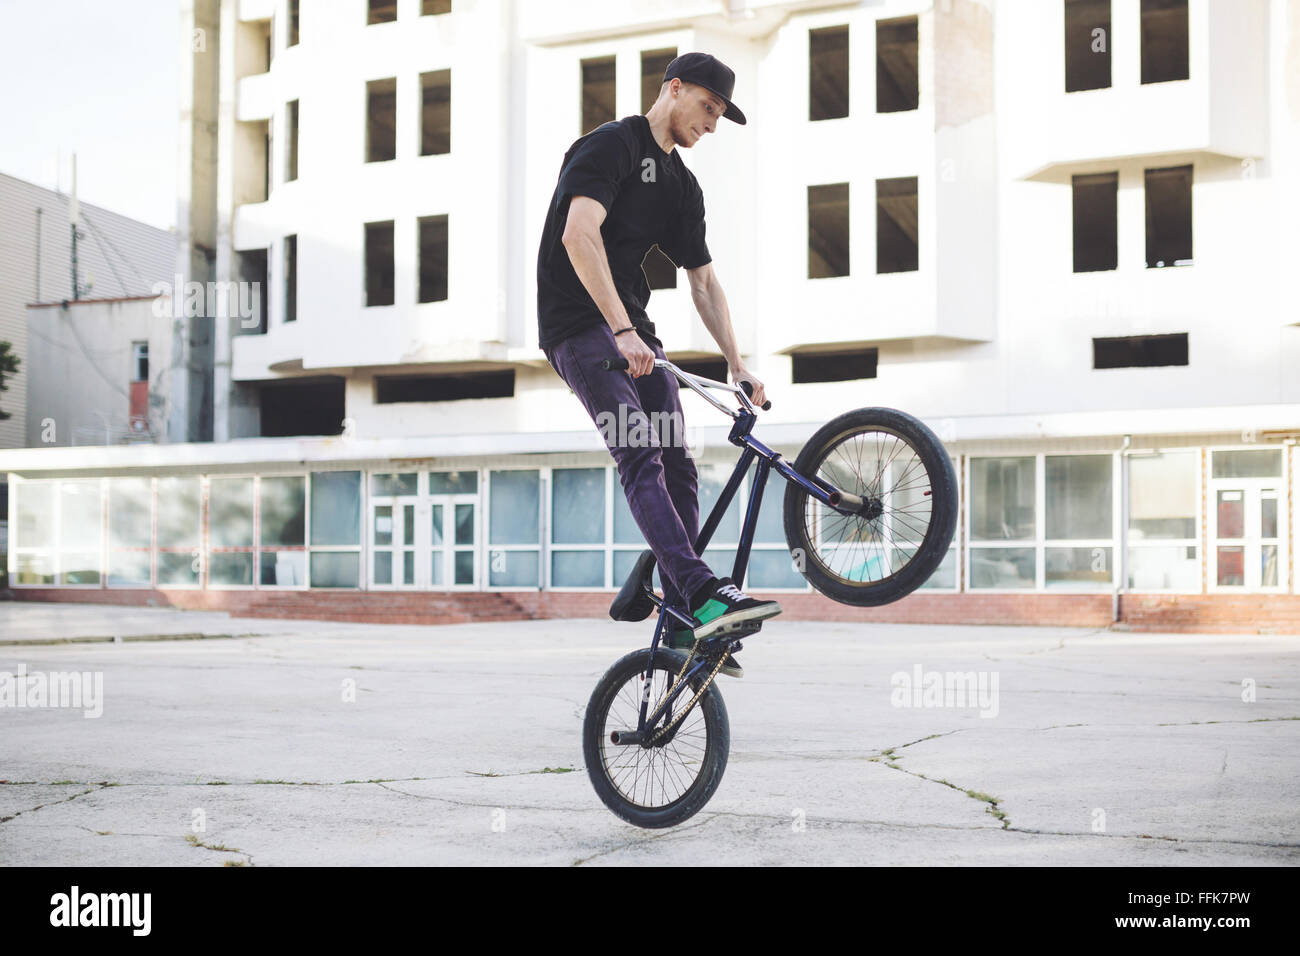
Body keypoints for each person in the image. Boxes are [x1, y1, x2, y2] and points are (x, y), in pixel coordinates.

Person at [536, 52, 781, 677]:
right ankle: (699, 593)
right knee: (638, 449)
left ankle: (676, 613)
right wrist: (619, 328)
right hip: (580, 328)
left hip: (634, 337)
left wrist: (737, 363)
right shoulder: (609, 146)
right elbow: (577, 235)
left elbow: (702, 281)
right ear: (673, 90)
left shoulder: (680, 186)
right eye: (708, 107)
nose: (713, 124)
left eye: (722, 115)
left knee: (678, 465)